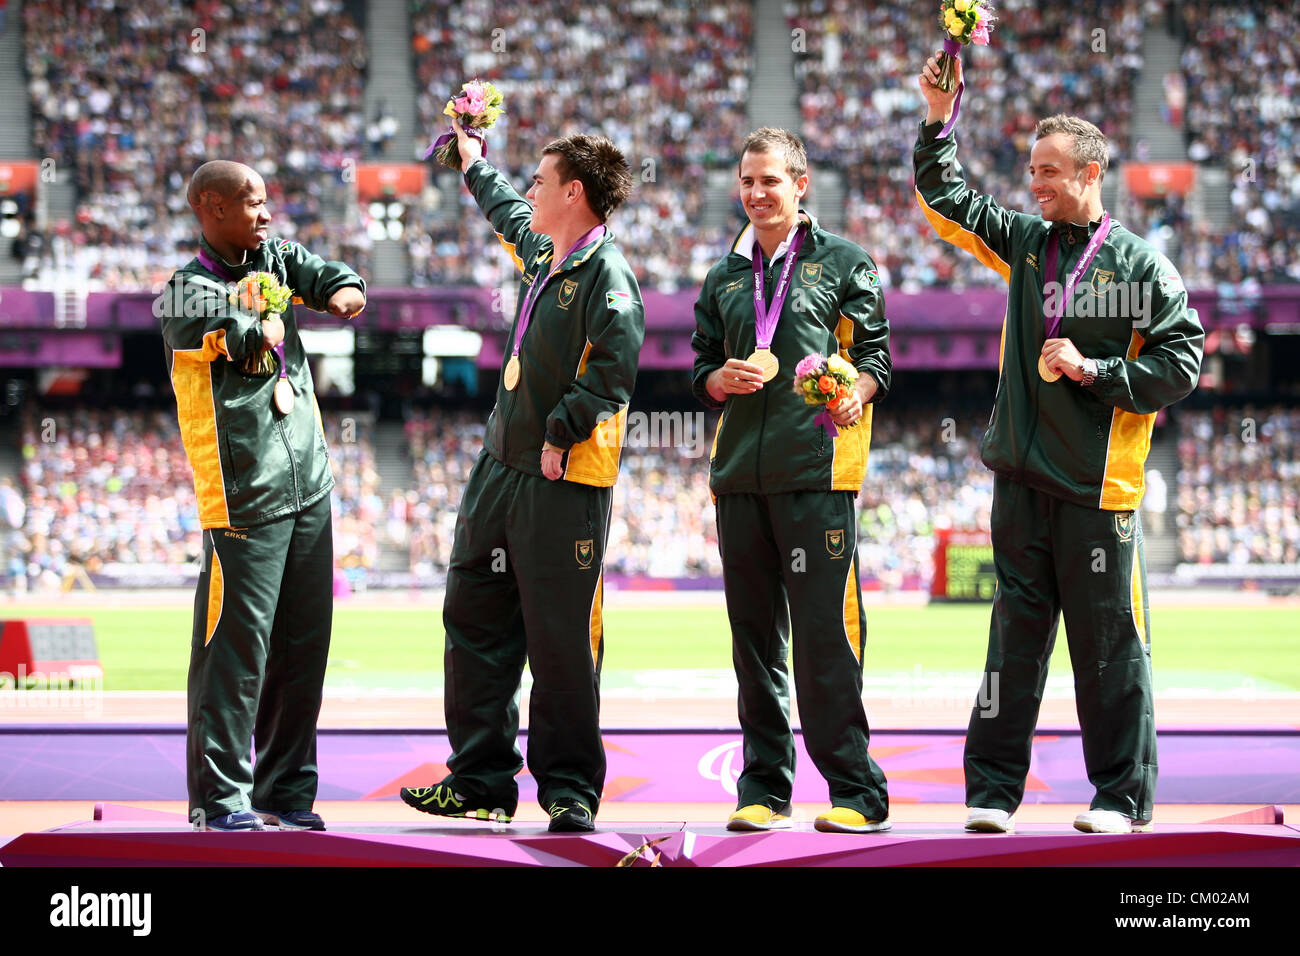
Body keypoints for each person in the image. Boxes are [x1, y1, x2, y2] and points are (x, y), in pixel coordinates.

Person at [914, 55, 1204, 834]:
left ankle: (1118, 797)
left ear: (1091, 171)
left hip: (1097, 492)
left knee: (1109, 652)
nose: (1034, 183)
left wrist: (1097, 369)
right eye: (1030, 170)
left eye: (1048, 171)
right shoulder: (1025, 243)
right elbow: (947, 199)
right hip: (1021, 481)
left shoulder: (1140, 266)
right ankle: (993, 792)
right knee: (1011, 646)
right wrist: (940, 120)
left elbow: (1181, 363)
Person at [399, 120, 644, 833]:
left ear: (573, 192)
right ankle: (479, 779)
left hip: (561, 478)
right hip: (499, 465)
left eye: (540, 179)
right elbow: (508, 210)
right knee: (473, 620)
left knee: (562, 639)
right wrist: (474, 163)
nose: (530, 188)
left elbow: (614, 370)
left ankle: (569, 788)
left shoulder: (609, 274)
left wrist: (561, 433)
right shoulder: (545, 257)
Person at [692, 128, 892, 834]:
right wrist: (716, 377)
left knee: (826, 641)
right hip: (740, 481)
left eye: (770, 180)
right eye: (747, 181)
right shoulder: (722, 275)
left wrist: (854, 394)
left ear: (800, 183)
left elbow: (877, 361)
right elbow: (699, 367)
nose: (756, 193)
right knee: (754, 645)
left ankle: (857, 791)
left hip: (817, 475)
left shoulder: (844, 263)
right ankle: (764, 789)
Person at [161, 160, 366, 831]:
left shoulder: (272, 255)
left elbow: (322, 271)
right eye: (252, 203)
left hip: (308, 483)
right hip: (244, 496)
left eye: (266, 202)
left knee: (302, 652)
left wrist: (341, 288)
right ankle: (218, 801)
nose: (267, 214)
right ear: (212, 208)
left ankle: (286, 795)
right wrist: (264, 317)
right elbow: (241, 338)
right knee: (234, 654)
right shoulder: (182, 293)